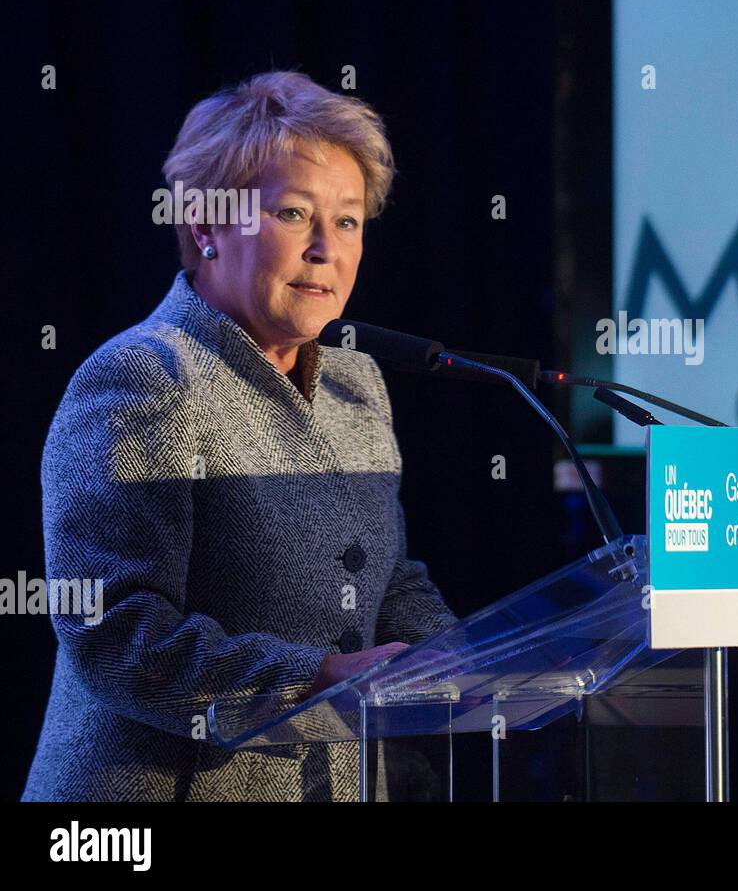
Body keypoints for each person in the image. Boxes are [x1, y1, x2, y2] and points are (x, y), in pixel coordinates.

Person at [22, 71, 457, 801]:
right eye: (295, 213)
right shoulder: (144, 376)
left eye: (348, 220)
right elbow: (115, 629)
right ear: (204, 226)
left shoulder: (358, 384)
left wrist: (466, 654)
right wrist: (310, 678)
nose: (327, 248)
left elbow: (385, 577)